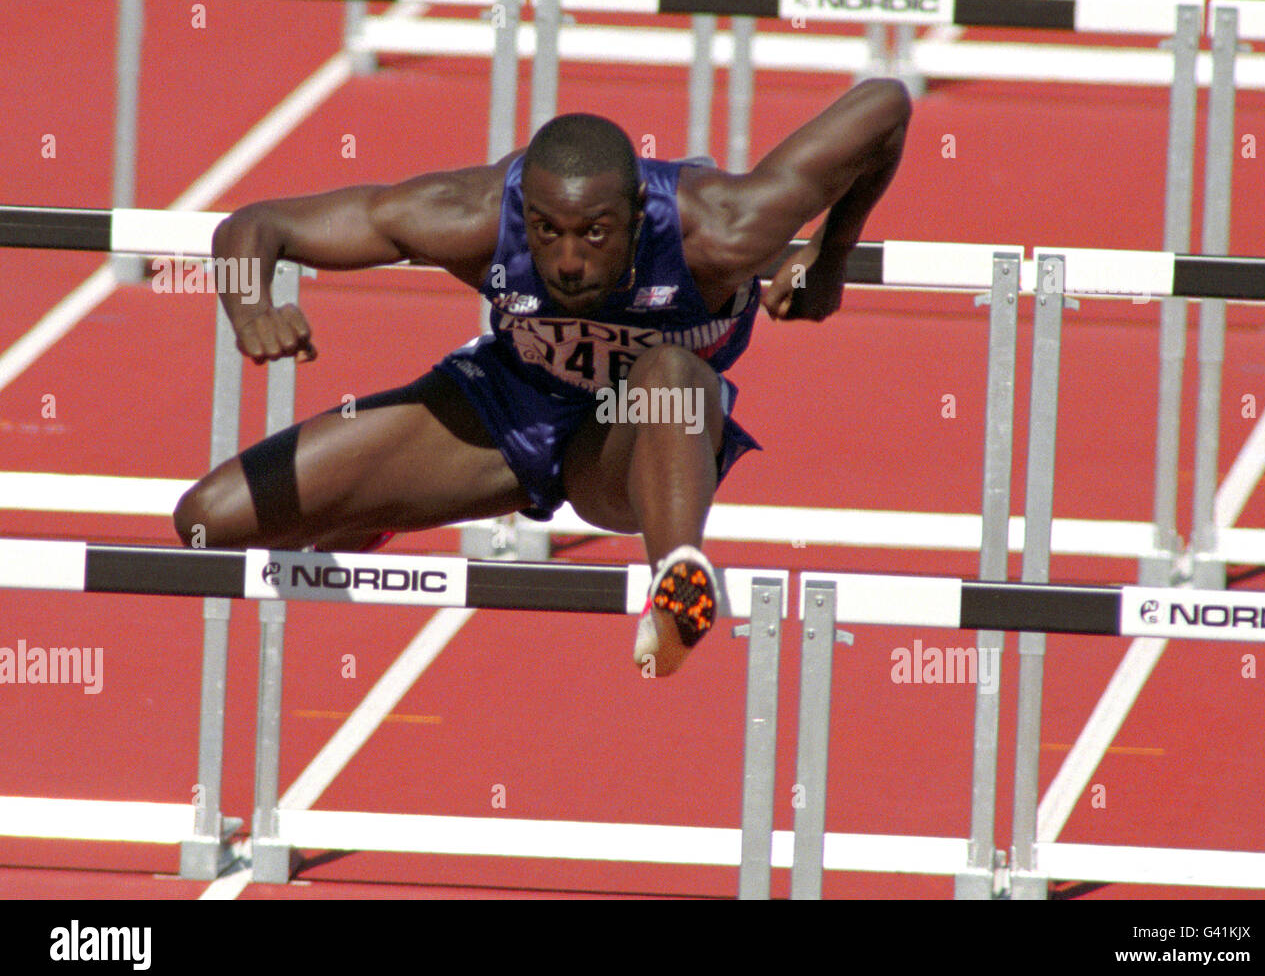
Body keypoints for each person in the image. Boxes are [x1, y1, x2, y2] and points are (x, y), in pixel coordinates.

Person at [173, 78, 911, 676]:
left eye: (594, 234)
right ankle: (381, 505)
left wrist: (831, 255)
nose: (566, 260)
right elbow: (254, 224)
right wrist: (250, 307)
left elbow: (886, 107)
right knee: (208, 521)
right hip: (508, 410)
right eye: (546, 231)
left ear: (637, 217)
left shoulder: (725, 228)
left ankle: (677, 579)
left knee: (672, 373)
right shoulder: (468, 216)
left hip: (636, 451)